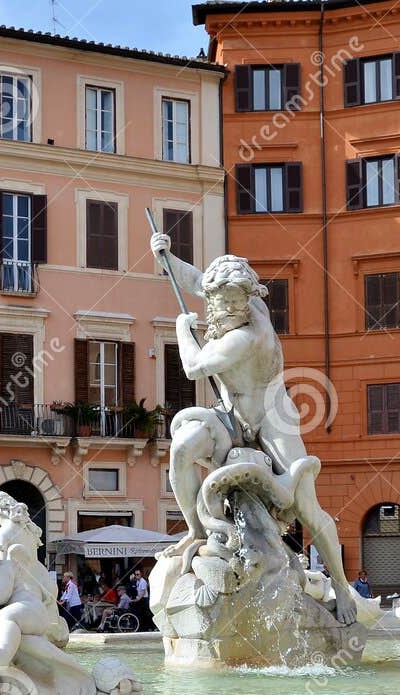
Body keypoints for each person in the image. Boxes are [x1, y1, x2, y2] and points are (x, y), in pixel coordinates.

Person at [152, 231, 359, 624]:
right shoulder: (222, 303)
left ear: (250, 298)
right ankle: (198, 531)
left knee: (307, 507)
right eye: (223, 301)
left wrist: (181, 329)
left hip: (272, 418)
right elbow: (199, 281)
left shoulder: (248, 334)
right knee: (181, 449)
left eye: (237, 301)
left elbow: (194, 367)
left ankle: (344, 590)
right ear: (212, 300)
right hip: (229, 416)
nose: (231, 308)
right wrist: (168, 260)